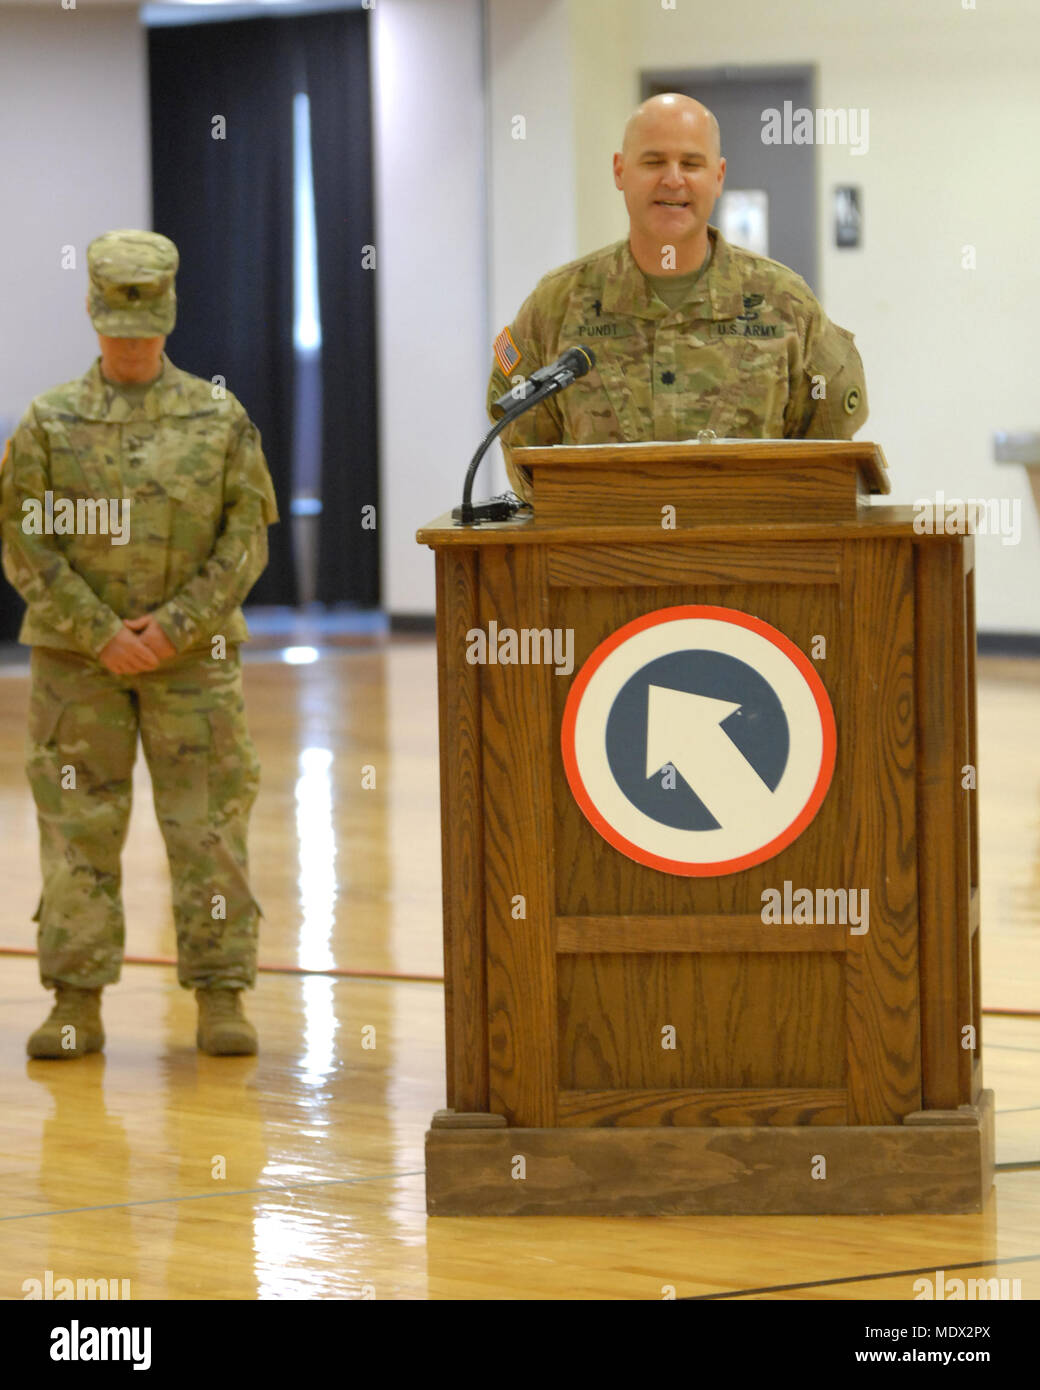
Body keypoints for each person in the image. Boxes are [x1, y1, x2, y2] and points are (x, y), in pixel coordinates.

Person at [0, 229, 278, 1058]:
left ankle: (222, 995)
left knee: (209, 829)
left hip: (192, 665)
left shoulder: (217, 415)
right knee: (77, 827)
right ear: (92, 314)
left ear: (170, 318)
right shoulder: (48, 423)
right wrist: (99, 633)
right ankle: (75, 1002)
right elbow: (24, 541)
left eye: (148, 329)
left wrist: (177, 627)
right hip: (77, 670)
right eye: (121, 330)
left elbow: (246, 539)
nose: (133, 344)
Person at [487, 93, 868, 502]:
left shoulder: (787, 304)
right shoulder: (556, 305)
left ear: (719, 176)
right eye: (653, 162)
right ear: (620, 171)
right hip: (597, 561)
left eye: (691, 163)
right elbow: (528, 456)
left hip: (751, 559)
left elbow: (825, 462)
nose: (673, 179)